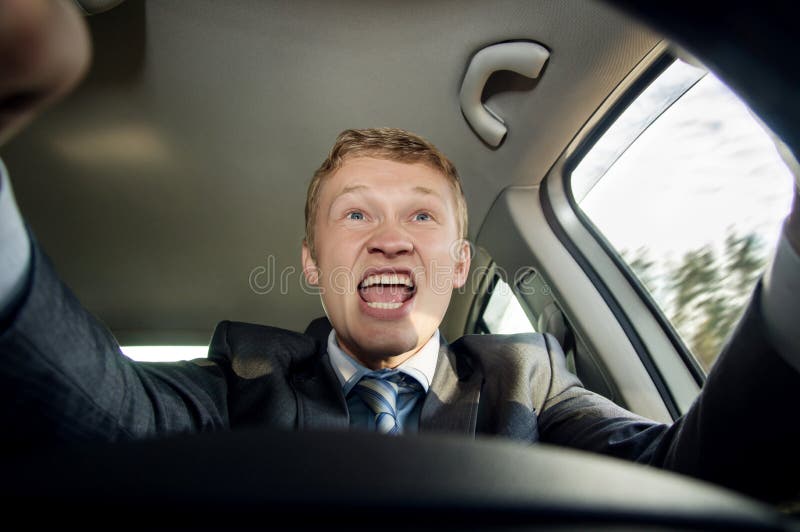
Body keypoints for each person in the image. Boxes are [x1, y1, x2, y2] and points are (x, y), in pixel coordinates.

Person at [1, 0, 799, 504]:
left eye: (422, 218)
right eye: (356, 215)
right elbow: (108, 417)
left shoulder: (529, 379)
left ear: (459, 265)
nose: (389, 237)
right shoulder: (241, 377)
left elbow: (695, 481)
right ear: (312, 264)